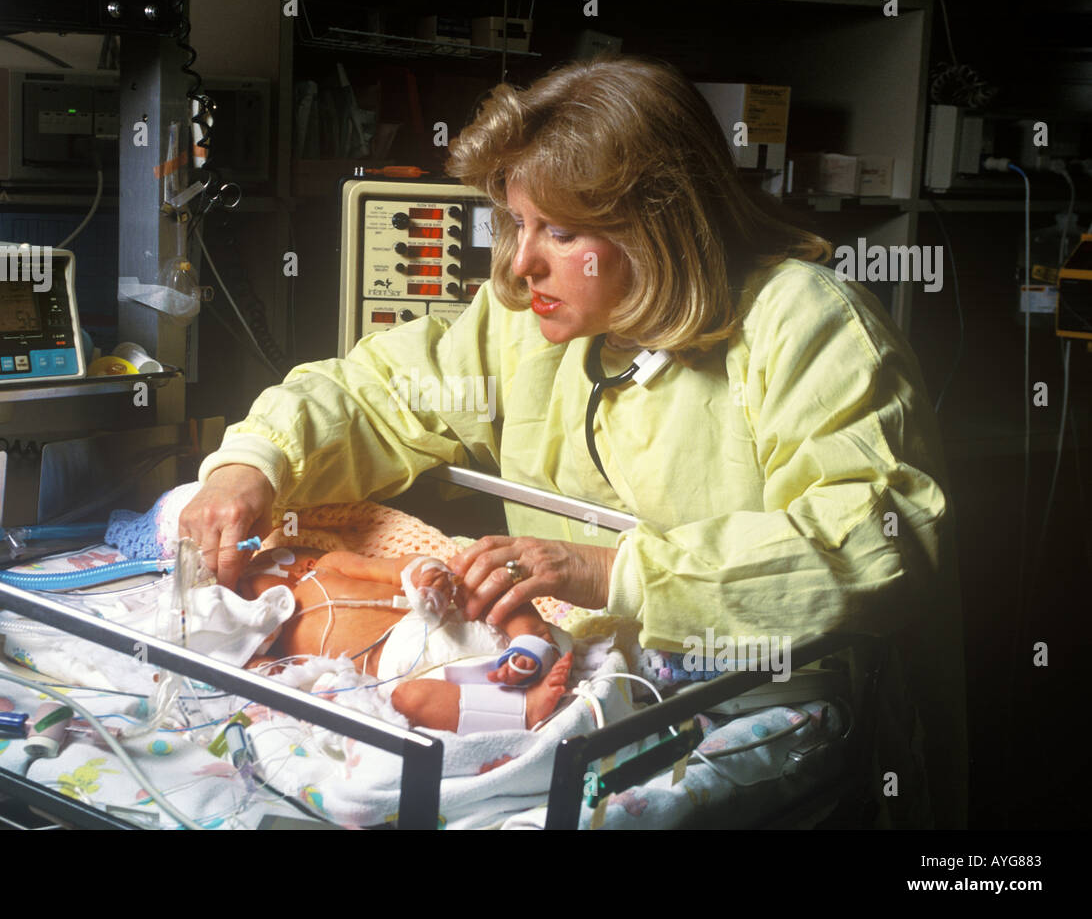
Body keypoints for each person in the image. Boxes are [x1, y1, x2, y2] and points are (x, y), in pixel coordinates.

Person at [180, 54, 967, 828]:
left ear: (659, 226)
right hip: (573, 665)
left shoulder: (808, 326)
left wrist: (611, 571)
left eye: (558, 230)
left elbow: (882, 538)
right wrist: (256, 462)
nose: (521, 265)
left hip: (753, 687)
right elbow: (378, 392)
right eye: (518, 224)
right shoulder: (531, 326)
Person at [234, 546, 574, 732]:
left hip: (447, 621)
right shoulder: (279, 650)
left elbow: (399, 566)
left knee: (487, 586)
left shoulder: (328, 566)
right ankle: (524, 708)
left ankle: (535, 641)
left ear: (297, 565)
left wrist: (426, 575)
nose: (241, 602)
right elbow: (277, 681)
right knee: (410, 701)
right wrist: (257, 661)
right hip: (409, 671)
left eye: (247, 588)